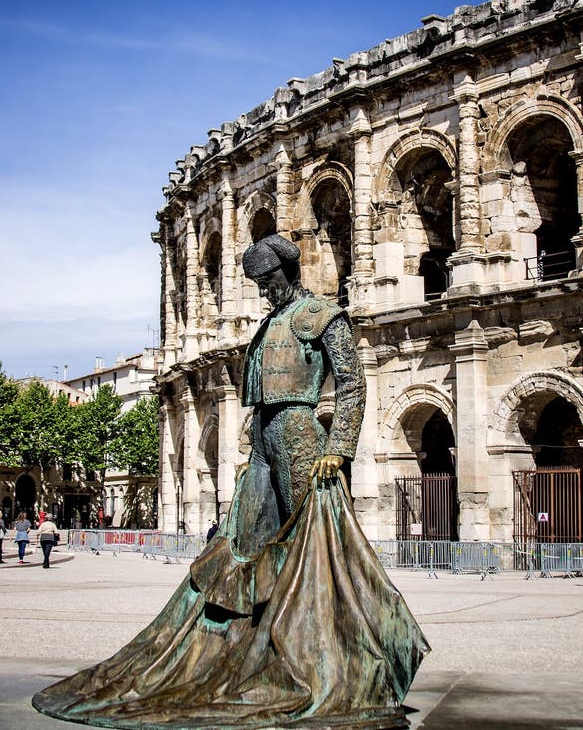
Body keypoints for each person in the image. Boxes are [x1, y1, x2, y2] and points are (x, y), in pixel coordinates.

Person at [34, 234, 428, 728]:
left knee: (317, 544)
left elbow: (350, 381)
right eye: (258, 284)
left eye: (267, 281)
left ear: (285, 272)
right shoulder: (269, 324)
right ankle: (246, 647)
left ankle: (342, 651)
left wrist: (338, 447)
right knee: (243, 542)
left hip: (300, 435)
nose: (263, 291)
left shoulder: (321, 315)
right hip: (264, 440)